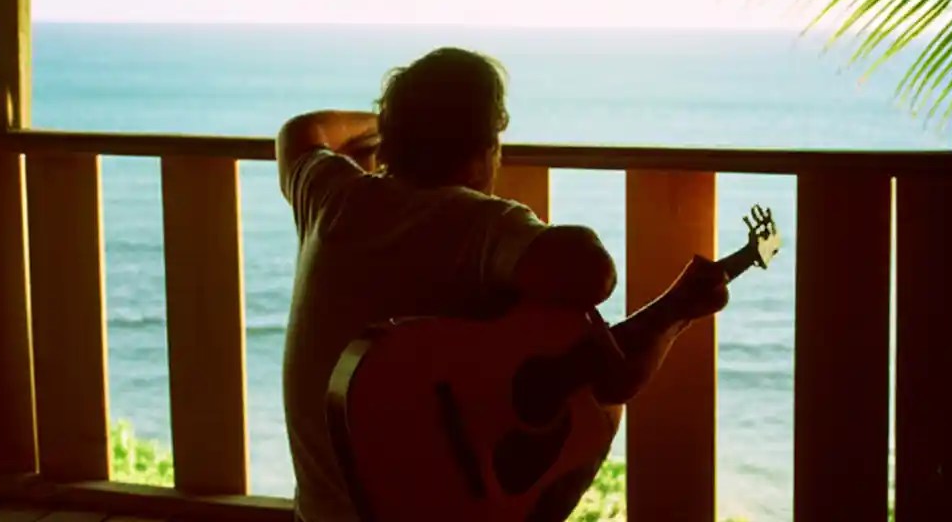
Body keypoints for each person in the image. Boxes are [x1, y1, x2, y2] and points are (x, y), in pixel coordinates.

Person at [276, 47, 729, 521]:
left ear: (390, 137)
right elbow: (593, 272)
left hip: (318, 516)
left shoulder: (330, 194)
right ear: (485, 146)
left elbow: (302, 132)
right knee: (568, 357)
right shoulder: (482, 225)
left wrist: (393, 122)